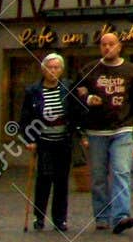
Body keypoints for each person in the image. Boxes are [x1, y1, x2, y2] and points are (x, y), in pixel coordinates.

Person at [74, 32, 133, 234]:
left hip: (122, 128)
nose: (107, 48)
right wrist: (88, 99)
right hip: (96, 130)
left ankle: (121, 216)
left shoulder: (131, 71)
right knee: (99, 176)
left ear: (119, 47)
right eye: (104, 44)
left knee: (121, 171)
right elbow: (76, 93)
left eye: (111, 44)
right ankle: (102, 216)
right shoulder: (89, 70)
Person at [17, 53, 83, 232]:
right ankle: (39, 217)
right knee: (44, 179)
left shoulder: (68, 88)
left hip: (63, 141)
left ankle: (60, 219)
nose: (53, 71)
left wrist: (79, 133)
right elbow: (26, 117)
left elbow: (76, 112)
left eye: (56, 67)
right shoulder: (33, 91)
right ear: (43, 70)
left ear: (61, 70)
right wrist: (29, 139)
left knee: (61, 181)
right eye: (50, 67)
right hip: (44, 141)